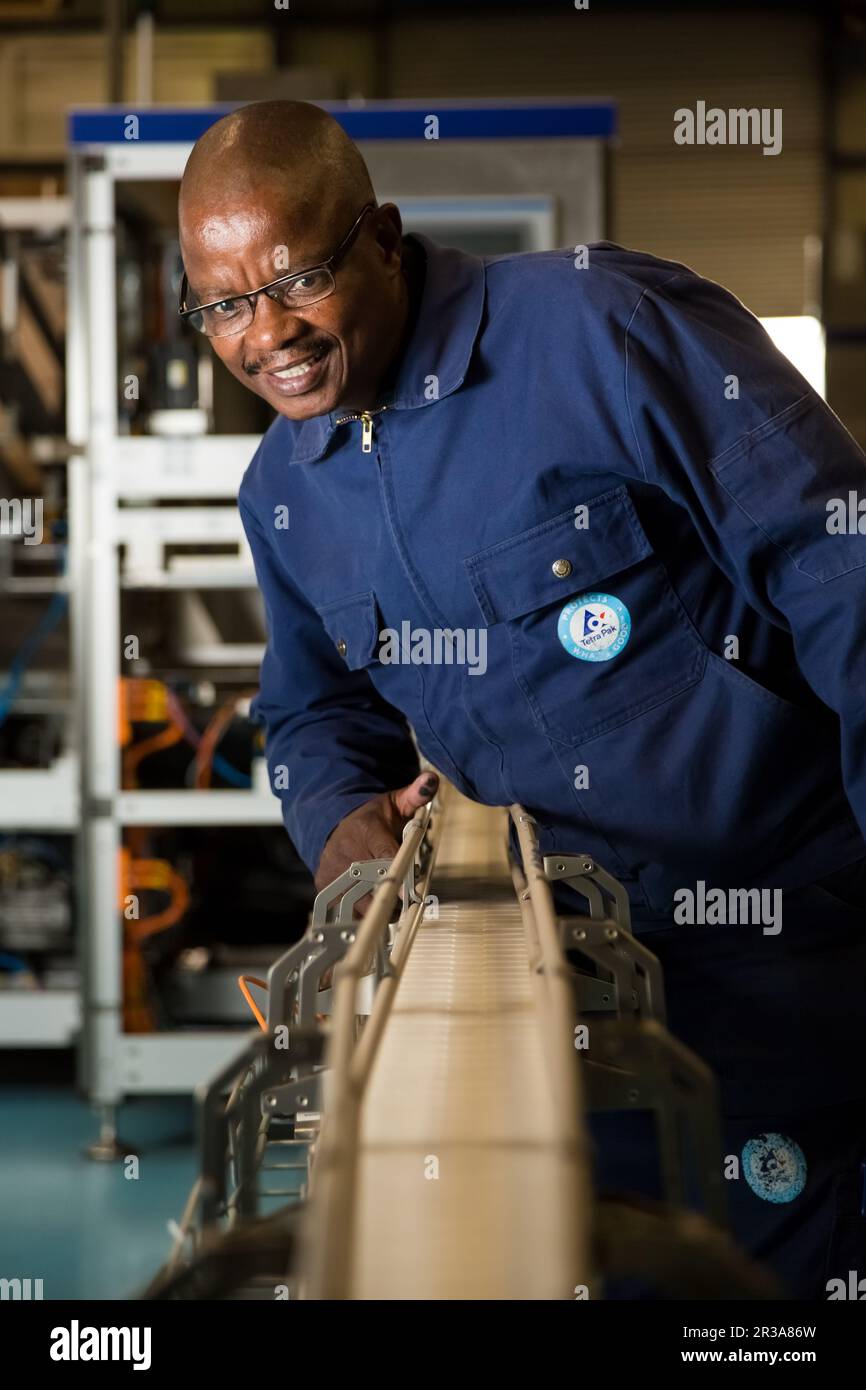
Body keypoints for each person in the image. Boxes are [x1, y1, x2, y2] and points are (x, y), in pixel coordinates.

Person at [179, 100, 866, 1298]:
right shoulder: (283, 489)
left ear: (383, 236)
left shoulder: (598, 326)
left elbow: (837, 571)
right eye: (223, 303)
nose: (265, 334)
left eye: (295, 279)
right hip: (560, 981)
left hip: (791, 942)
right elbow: (309, 713)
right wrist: (337, 820)